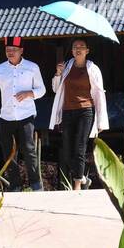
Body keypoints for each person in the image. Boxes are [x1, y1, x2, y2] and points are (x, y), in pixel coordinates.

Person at [0, 36, 46, 191]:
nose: (10, 53)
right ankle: (15, 186)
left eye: (14, 50)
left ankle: (36, 184)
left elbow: (42, 90)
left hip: (26, 114)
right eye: (8, 50)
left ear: (21, 51)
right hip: (6, 115)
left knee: (29, 149)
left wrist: (29, 93)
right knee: (9, 153)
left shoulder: (32, 67)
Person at [49, 38, 110, 190]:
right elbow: (56, 89)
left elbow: (99, 95)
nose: (78, 49)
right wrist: (58, 74)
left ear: (87, 51)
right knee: (68, 150)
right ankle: (82, 178)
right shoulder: (66, 67)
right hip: (68, 111)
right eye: (75, 47)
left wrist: (101, 121)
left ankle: (76, 186)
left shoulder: (93, 69)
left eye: (82, 47)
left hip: (85, 111)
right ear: (72, 51)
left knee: (80, 147)